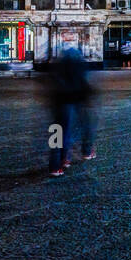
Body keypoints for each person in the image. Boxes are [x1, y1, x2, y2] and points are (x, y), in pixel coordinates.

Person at [47, 46, 96, 177]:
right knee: (77, 128)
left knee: (57, 131)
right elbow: (84, 82)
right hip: (76, 100)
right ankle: (82, 152)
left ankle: (56, 164)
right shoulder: (79, 66)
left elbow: (51, 83)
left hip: (59, 102)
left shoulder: (58, 67)